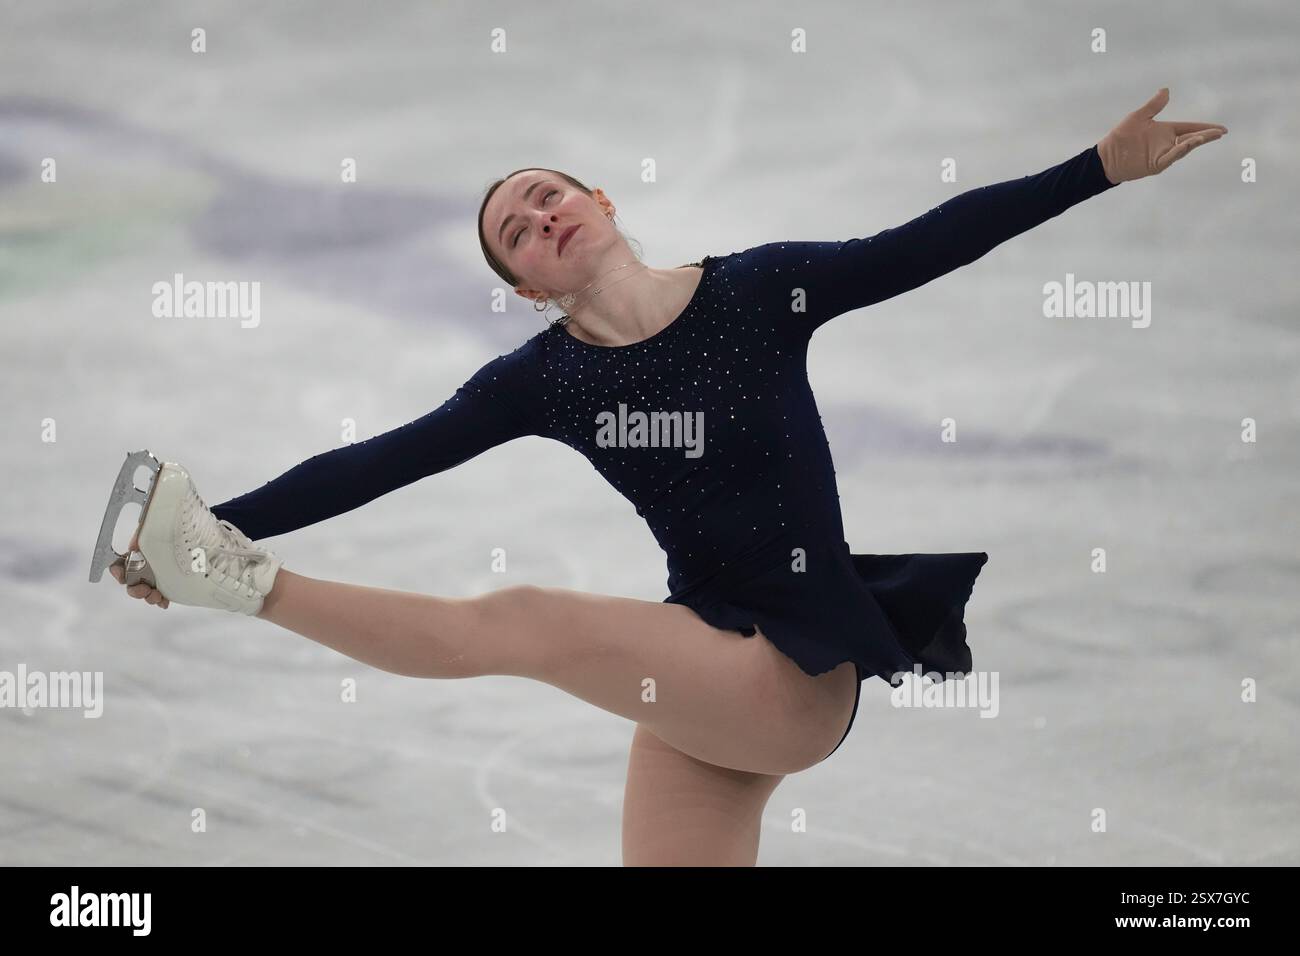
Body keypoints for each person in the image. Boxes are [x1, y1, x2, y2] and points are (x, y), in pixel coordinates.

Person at [105, 88, 1225, 865]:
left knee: (522, 619)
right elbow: (376, 460)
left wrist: (1097, 168)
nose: (540, 215)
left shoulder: (759, 293)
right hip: (701, 676)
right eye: (516, 228)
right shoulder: (535, 382)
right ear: (522, 285)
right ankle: (208, 549)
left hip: (791, 666)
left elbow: (927, 240)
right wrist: (228, 507)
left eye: (550, 195)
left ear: (600, 200)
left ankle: (227, 576)